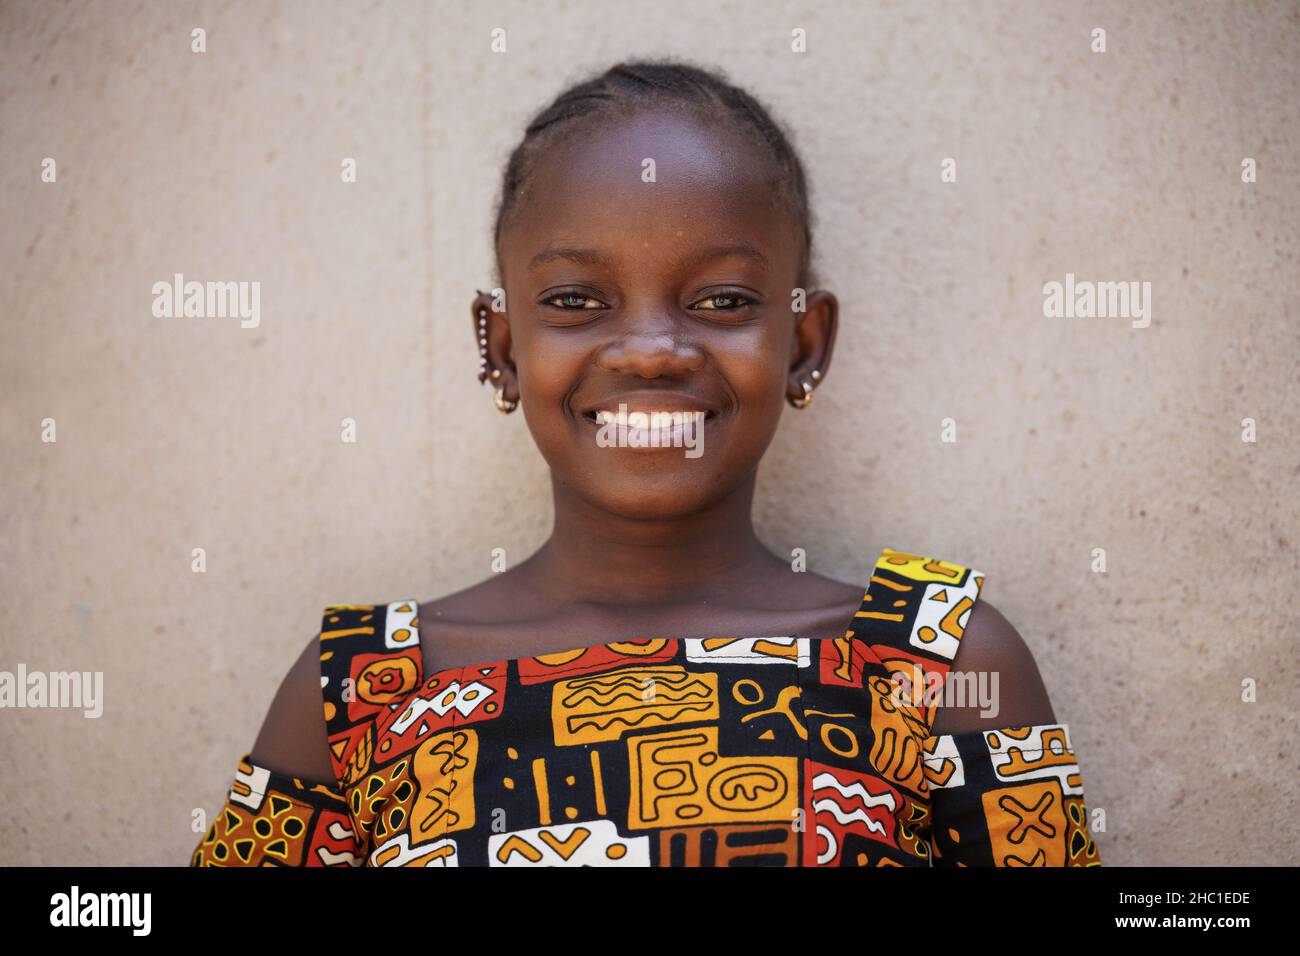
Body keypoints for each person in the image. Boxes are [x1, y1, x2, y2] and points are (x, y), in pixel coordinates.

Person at [191, 58, 1100, 867]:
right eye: (578, 299)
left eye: (723, 298)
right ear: (502, 346)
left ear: (804, 344)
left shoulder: (937, 665)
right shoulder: (359, 693)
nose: (652, 350)